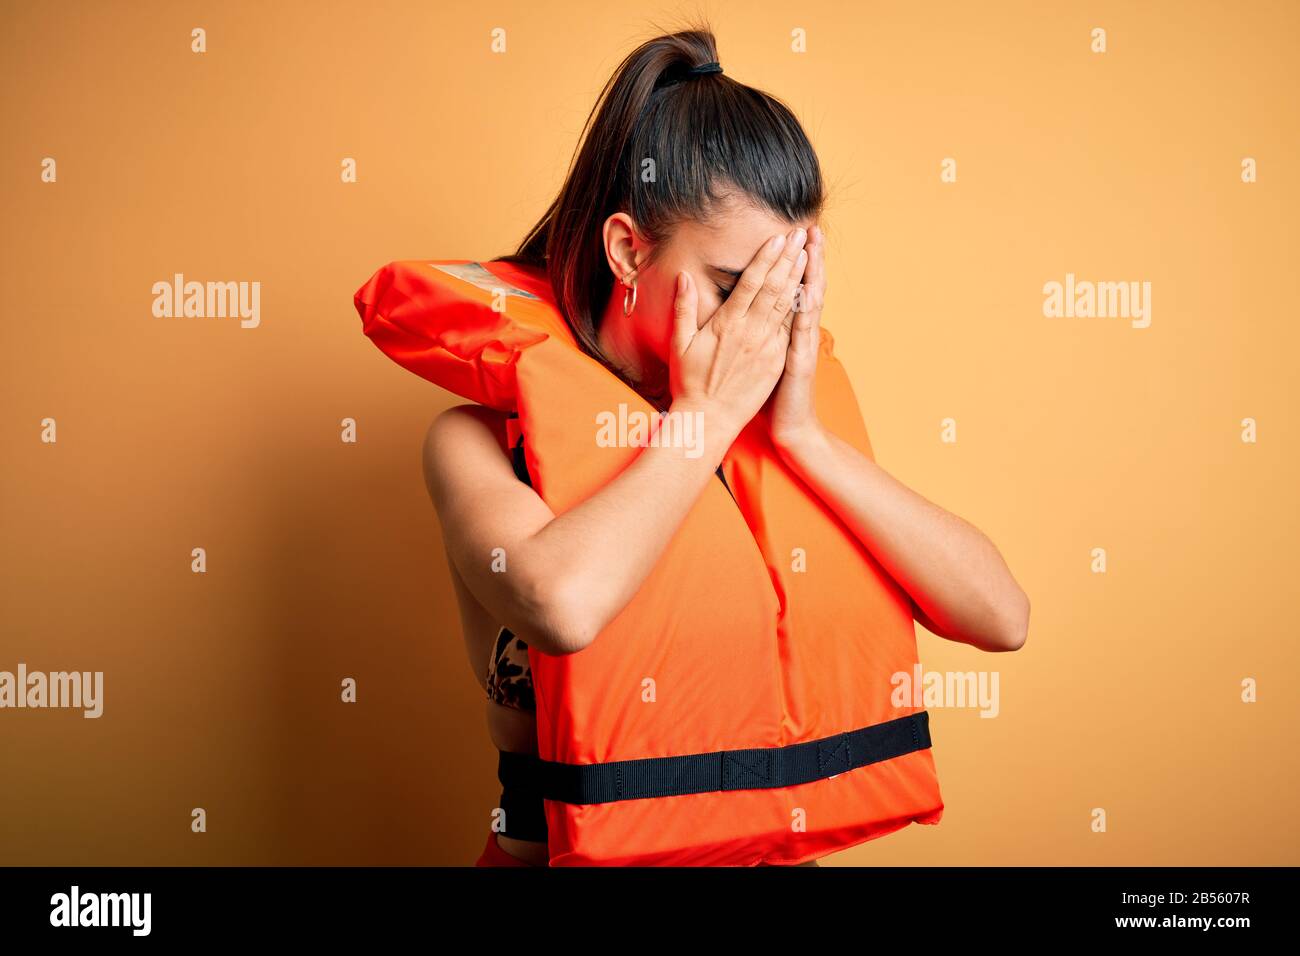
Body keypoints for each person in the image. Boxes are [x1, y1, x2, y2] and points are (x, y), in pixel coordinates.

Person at [420, 26, 1030, 867]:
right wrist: (702, 421)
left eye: (788, 289)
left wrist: (805, 437)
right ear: (629, 250)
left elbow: (1002, 618)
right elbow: (559, 607)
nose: (762, 322)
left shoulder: (780, 431)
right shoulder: (478, 440)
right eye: (734, 288)